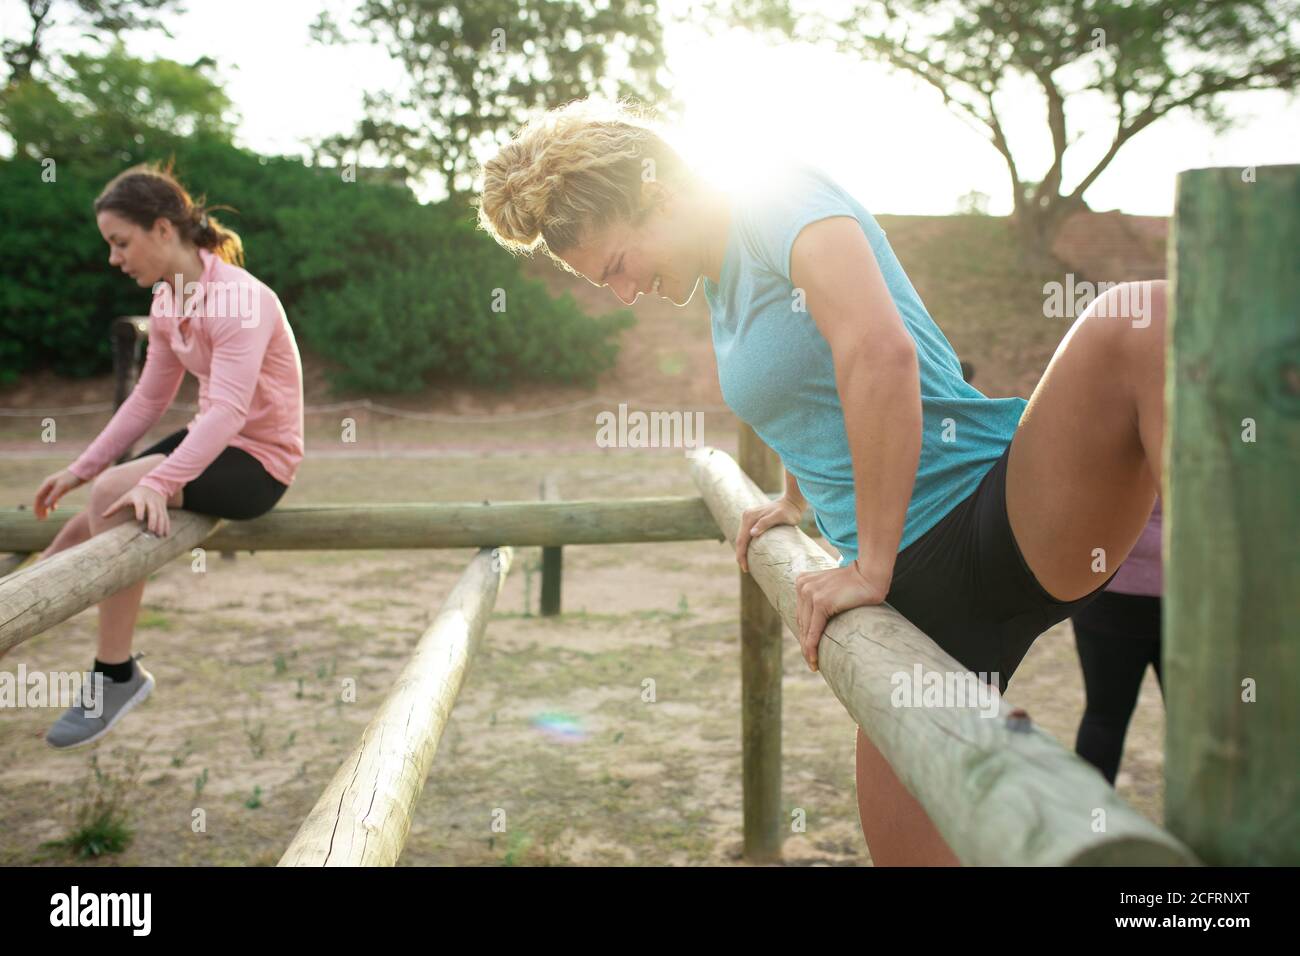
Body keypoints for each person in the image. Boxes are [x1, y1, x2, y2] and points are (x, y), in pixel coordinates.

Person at [473, 98, 1164, 865]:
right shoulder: (719, 283)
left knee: (1138, 318)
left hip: (996, 518)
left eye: (617, 266)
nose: (626, 292)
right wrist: (793, 502)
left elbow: (877, 351)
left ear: (660, 195)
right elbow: (814, 390)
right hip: (922, 603)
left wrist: (870, 562)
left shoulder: (776, 197)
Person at [32, 162, 305, 749]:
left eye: (120, 243)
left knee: (116, 497)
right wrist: (80, 469)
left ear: (162, 230)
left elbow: (231, 412)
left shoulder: (239, 299)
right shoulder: (167, 304)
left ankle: (115, 675)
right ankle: (19, 602)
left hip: (259, 463)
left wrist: (155, 483)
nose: (114, 258)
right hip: (213, 439)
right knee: (96, 508)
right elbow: (148, 402)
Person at [1072, 500, 1164, 784]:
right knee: (1198, 728)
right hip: (1183, 592)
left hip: (1105, 587)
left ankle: (1088, 822)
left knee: (1103, 718)